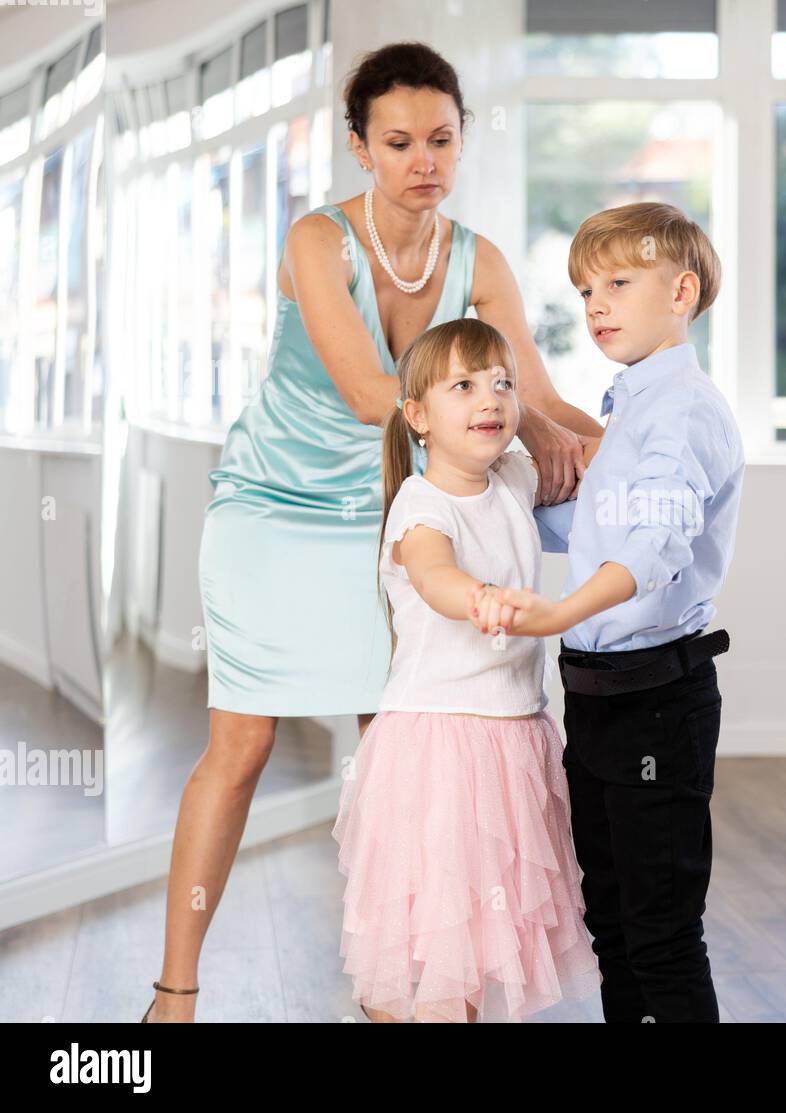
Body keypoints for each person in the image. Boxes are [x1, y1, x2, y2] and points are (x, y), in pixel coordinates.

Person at [143, 41, 601, 1023]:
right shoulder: (320, 241)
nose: (422, 160)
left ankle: (399, 988)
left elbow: (546, 392)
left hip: (389, 522)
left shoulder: (477, 258)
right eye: (398, 141)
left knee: (401, 754)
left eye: (440, 138)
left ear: (461, 140)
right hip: (273, 512)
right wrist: (515, 412)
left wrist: (633, 438)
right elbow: (365, 392)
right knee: (244, 742)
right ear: (360, 146)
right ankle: (173, 993)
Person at [478, 202, 745, 1022]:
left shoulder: (684, 415)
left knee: (661, 935)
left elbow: (649, 552)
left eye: (618, 283)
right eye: (586, 287)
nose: (595, 304)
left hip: (655, 704)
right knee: (614, 926)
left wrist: (554, 615)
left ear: (682, 291)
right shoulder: (629, 413)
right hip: (594, 699)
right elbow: (588, 528)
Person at [332, 317, 601, 1023]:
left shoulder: (513, 474)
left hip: (514, 738)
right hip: (441, 749)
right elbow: (434, 575)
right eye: (464, 386)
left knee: (482, 945)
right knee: (445, 944)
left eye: (502, 384)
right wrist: (480, 599)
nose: (491, 398)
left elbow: (598, 460)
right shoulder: (421, 506)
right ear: (418, 417)